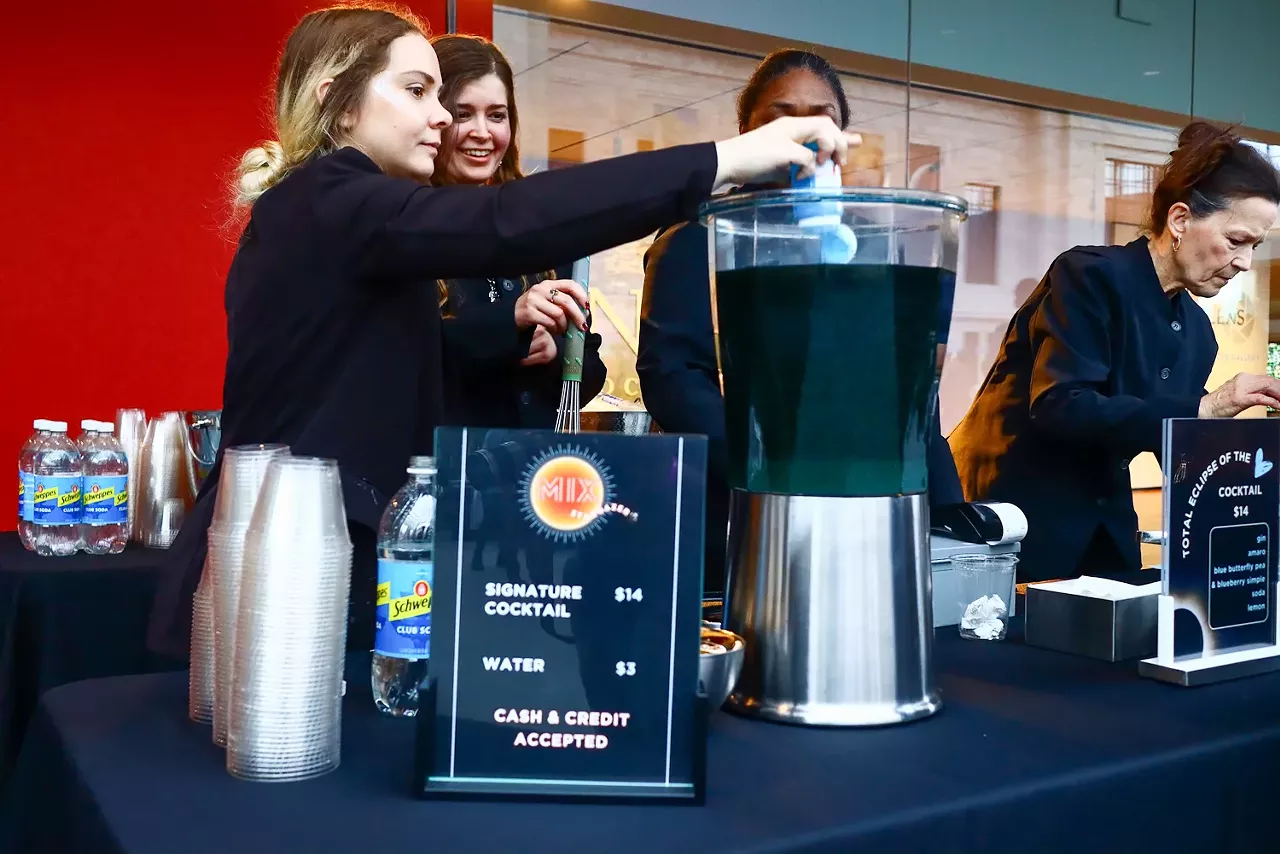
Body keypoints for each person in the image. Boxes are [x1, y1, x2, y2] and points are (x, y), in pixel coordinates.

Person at [146, 4, 858, 660]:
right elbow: (506, 220)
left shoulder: (340, 215)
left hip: (330, 572)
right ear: (339, 100)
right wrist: (723, 161)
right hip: (287, 588)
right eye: (418, 92)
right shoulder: (326, 199)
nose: (442, 118)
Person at [637, 49, 963, 595]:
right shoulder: (699, 239)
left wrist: (949, 513)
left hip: (863, 518)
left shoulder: (871, 243)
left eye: (822, 118)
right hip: (736, 519)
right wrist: (780, 470)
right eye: (782, 117)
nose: (806, 134)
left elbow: (906, 393)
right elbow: (674, 381)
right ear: (747, 134)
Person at [949, 122, 1280, 583]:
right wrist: (1204, 408)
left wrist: (1247, 471)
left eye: (1255, 246)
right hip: (1016, 519)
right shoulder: (1091, 275)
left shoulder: (1198, 332)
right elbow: (1060, 405)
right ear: (1180, 220)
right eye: (1236, 240)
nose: (1245, 262)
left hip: (1106, 525)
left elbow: (1173, 450)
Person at [430, 35, 607, 428]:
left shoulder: (543, 225)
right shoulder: (404, 224)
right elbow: (403, 362)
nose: (482, 132)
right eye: (463, 114)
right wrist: (510, 322)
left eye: (497, 115)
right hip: (443, 460)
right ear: (432, 118)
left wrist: (555, 352)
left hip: (535, 462)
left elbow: (591, 370)